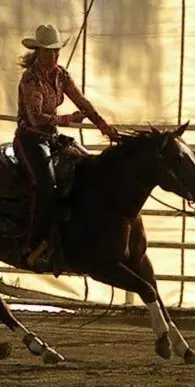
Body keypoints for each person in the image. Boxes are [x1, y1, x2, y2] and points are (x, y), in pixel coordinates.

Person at [13, 24, 118, 266]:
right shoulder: (31, 79)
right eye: (48, 51)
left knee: (88, 167)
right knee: (46, 184)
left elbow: (83, 102)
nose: (53, 56)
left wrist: (103, 125)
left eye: (56, 51)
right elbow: (35, 117)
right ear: (37, 51)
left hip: (50, 137)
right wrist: (67, 119)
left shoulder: (61, 75)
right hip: (30, 138)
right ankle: (35, 244)